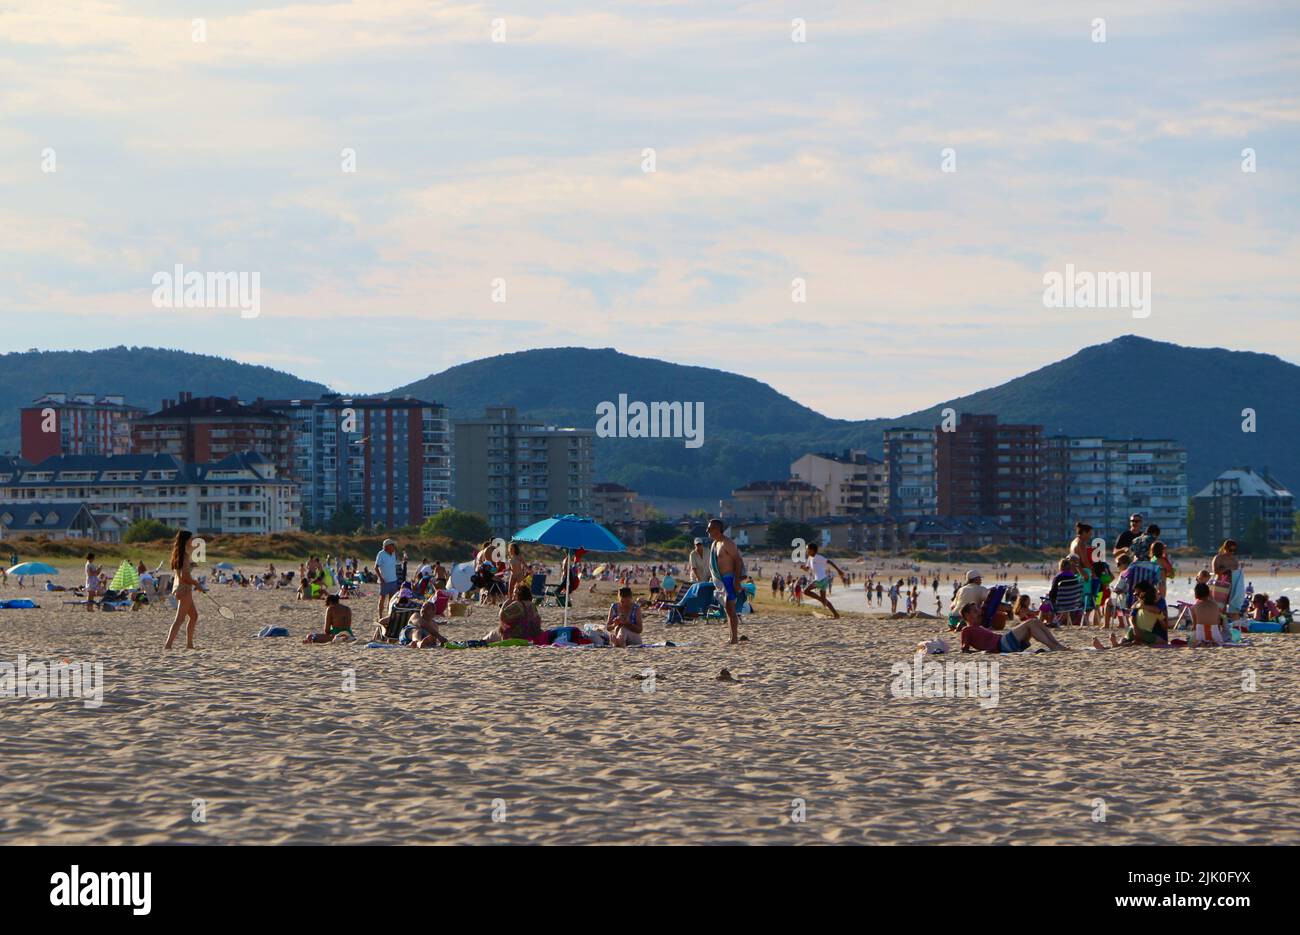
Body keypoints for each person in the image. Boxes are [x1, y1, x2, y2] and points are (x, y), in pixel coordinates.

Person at [956, 600, 1069, 652]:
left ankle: (1056, 644)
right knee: (1030, 622)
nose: (978, 613)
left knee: (1034, 621)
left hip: (1005, 644)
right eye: (975, 611)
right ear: (967, 615)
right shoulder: (967, 629)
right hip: (1002, 645)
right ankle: (1053, 646)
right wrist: (983, 651)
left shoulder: (978, 627)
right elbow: (964, 648)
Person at [706, 519, 744, 644]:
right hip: (721, 580)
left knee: (731, 609)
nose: (707, 531)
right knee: (728, 609)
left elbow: (738, 561)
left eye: (709, 528)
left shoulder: (727, 543)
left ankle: (734, 638)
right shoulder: (715, 544)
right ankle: (731, 636)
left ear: (717, 529)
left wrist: (737, 581)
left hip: (729, 579)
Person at [164, 530, 203, 650]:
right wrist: (197, 584)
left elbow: (181, 573)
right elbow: (185, 577)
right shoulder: (184, 556)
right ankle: (168, 645)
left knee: (194, 616)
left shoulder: (179, 554)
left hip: (179, 588)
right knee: (179, 619)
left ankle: (189, 645)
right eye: (191, 539)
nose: (193, 541)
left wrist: (191, 566)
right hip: (184, 589)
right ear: (186, 541)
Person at [803, 542, 846, 618]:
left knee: (806, 591)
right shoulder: (809, 558)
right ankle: (836, 614)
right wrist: (803, 568)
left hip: (820, 580)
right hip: (824, 580)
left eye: (807, 549)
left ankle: (820, 599)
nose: (806, 551)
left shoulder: (818, 557)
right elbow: (807, 569)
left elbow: (830, 562)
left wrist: (839, 570)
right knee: (824, 600)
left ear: (812, 550)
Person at [1189, 582, 1227, 646]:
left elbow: (1194, 626)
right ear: (1208, 593)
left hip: (1200, 635)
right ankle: (1212, 641)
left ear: (1196, 594)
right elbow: (1218, 622)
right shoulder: (1215, 605)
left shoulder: (1194, 608)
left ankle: (1202, 642)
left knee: (1193, 640)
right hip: (1215, 634)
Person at [374, 538, 400, 619]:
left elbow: (396, 562)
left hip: (393, 580)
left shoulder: (393, 553)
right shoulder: (381, 554)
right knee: (382, 598)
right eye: (392, 545)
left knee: (392, 599)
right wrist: (380, 578)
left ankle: (389, 615)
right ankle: (380, 615)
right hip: (385, 581)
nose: (394, 547)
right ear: (387, 546)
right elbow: (376, 567)